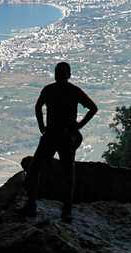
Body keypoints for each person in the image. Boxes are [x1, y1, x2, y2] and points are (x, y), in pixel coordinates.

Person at [23, 61, 97, 222]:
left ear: (56, 75)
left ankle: (31, 204)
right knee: (68, 173)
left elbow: (38, 107)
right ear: (69, 75)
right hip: (66, 136)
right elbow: (93, 108)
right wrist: (78, 126)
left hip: (50, 135)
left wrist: (42, 126)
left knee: (35, 169)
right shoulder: (74, 91)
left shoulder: (49, 89)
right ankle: (66, 210)